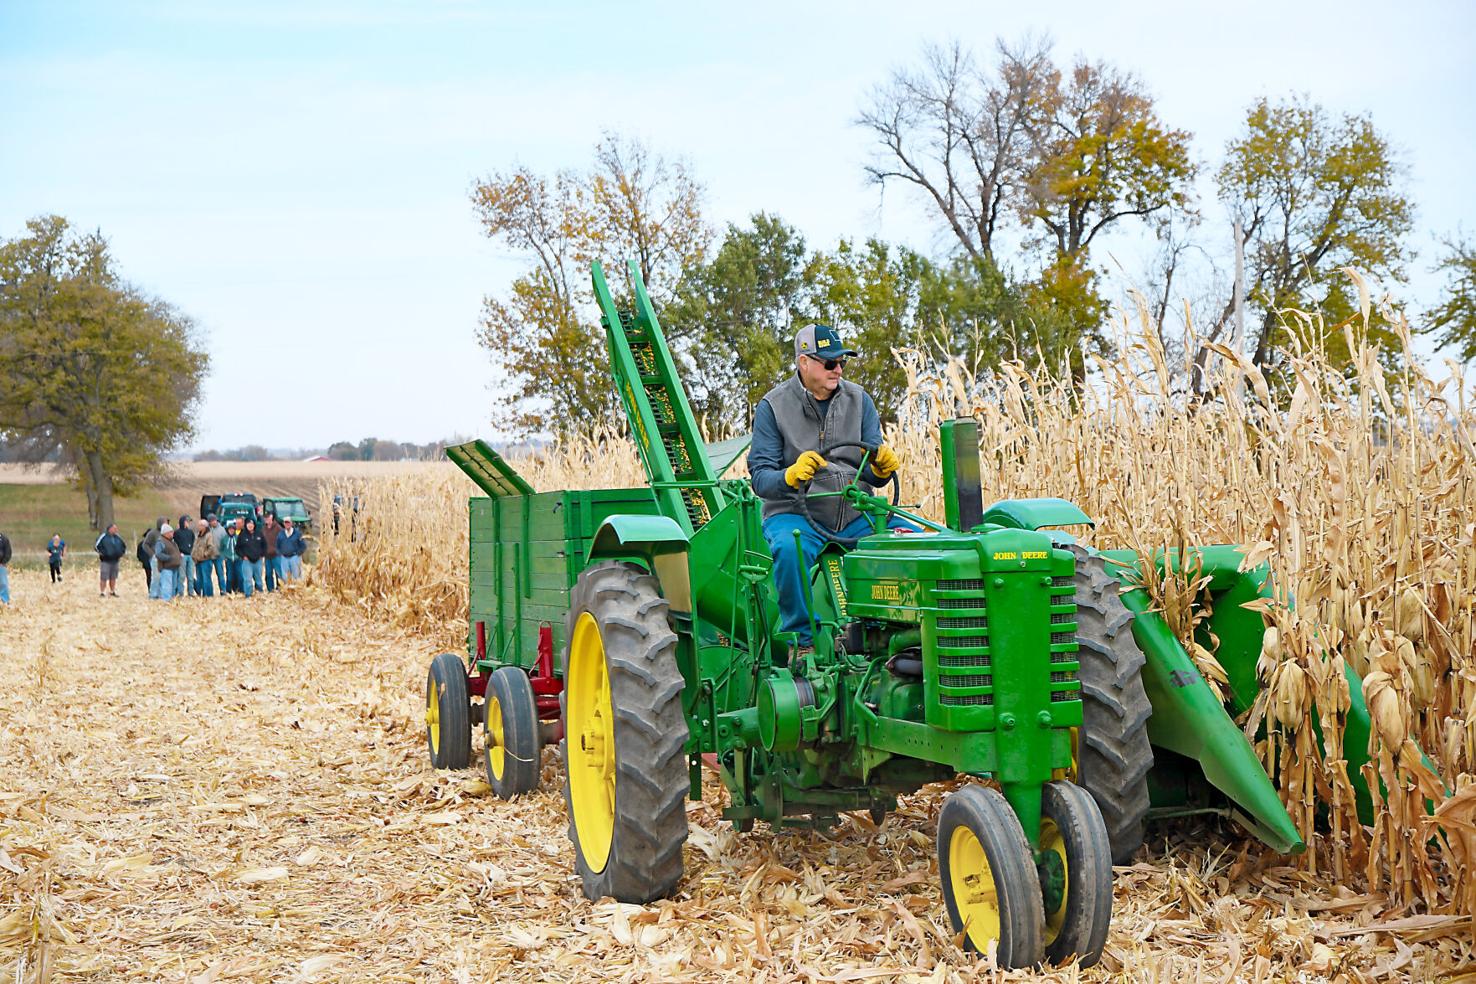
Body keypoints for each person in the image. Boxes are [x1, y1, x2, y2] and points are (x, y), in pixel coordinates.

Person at [747, 323, 908, 651]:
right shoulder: (773, 407)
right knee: (790, 550)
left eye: (842, 362)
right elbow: (761, 479)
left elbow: (872, 468)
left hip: (854, 512)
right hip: (796, 513)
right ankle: (801, 642)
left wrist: (879, 469)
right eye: (829, 363)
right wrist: (790, 476)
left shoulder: (859, 400)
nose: (838, 369)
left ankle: (888, 633)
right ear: (804, 362)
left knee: (909, 542)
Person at [237, 518, 267, 597]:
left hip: (258, 561)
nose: (250, 526)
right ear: (246, 525)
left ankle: (259, 594)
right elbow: (237, 548)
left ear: (254, 525)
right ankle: (248, 595)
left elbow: (264, 545)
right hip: (247, 561)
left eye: (252, 524)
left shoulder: (259, 534)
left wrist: (262, 555)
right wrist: (243, 556)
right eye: (248, 524)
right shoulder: (242, 535)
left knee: (259, 579)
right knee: (247, 580)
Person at [95, 523, 127, 597]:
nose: (116, 530)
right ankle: (102, 592)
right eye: (114, 528)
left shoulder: (118, 538)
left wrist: (121, 553)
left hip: (115, 560)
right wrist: (103, 553)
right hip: (105, 561)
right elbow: (96, 546)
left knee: (113, 577)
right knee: (104, 576)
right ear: (110, 529)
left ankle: (112, 591)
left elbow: (123, 546)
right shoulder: (103, 537)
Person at [154, 523, 183, 599]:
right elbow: (158, 554)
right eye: (171, 532)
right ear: (166, 533)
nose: (172, 533)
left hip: (174, 567)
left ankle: (172, 600)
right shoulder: (160, 542)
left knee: (173, 586)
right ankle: (166, 601)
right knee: (167, 586)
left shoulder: (172, 541)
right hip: (166, 567)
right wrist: (169, 558)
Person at [191, 518, 217, 596]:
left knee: (206, 579)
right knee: (200, 579)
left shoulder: (208, 535)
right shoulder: (198, 536)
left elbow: (211, 547)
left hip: (206, 561)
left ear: (204, 526)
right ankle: (202, 594)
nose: (198, 526)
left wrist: (205, 554)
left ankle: (208, 595)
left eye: (200, 525)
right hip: (198, 560)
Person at [276, 517, 305, 583]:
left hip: (294, 557)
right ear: (283, 524)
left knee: (296, 576)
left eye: (288, 522)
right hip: (284, 558)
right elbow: (277, 545)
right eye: (285, 522)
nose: (287, 524)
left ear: (291, 523)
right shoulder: (281, 534)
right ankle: (288, 590)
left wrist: (298, 553)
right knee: (285, 577)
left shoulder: (297, 533)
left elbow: (303, 545)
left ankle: (297, 590)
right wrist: (280, 553)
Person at [174, 515, 197, 598]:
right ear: (183, 522)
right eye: (187, 522)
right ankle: (181, 593)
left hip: (190, 555)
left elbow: (193, 542)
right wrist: (179, 553)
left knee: (190, 576)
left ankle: (191, 592)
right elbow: (175, 544)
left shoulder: (191, 532)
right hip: (182, 556)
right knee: (181, 576)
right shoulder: (177, 533)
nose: (188, 523)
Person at [142, 521, 165, 598]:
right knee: (156, 576)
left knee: (163, 577)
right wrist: (152, 554)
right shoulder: (152, 533)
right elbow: (145, 544)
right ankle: (153, 594)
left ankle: (161, 594)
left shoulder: (165, 533)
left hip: (164, 557)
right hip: (155, 558)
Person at [206, 514, 227, 595]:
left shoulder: (222, 530)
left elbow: (225, 543)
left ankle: (223, 591)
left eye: (214, 520)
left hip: (219, 556)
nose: (213, 522)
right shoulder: (207, 530)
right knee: (208, 575)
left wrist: (224, 554)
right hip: (209, 556)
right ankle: (209, 592)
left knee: (220, 575)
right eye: (211, 521)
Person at [261, 513, 281, 591]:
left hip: (276, 555)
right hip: (267, 556)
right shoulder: (263, 529)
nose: (267, 520)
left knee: (278, 573)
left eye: (268, 518)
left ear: (271, 518)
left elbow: (282, 540)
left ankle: (280, 588)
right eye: (265, 519)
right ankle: (270, 589)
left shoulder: (278, 528)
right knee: (268, 574)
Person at [220, 518, 240, 594]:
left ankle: (238, 589)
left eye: (233, 529)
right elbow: (221, 549)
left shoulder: (237, 538)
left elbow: (241, 547)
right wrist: (224, 557)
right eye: (230, 529)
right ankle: (228, 590)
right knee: (229, 576)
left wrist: (240, 556)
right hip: (228, 559)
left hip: (237, 558)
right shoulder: (224, 539)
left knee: (239, 575)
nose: (231, 531)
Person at [136, 528, 155, 593]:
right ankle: (150, 589)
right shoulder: (141, 544)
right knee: (149, 577)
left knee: (155, 577)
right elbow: (138, 555)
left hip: (155, 563)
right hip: (147, 563)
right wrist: (143, 560)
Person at [0, 528, 11, 605]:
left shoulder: (4, 539)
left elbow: (8, 552)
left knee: (3, 583)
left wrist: (3, 562)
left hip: (1, 565)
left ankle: (5, 601)